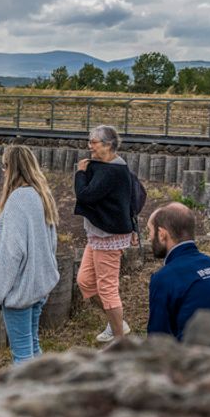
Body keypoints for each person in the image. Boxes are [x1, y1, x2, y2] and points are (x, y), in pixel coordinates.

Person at [0, 145, 60, 364]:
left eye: (4, 167)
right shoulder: (42, 196)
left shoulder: (17, 201)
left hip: (21, 291)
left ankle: (27, 397)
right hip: (38, 287)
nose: (3, 172)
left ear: (10, 168)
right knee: (33, 346)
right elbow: (52, 243)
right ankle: (44, 391)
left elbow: (11, 253)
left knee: (22, 355)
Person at [147, 203, 210, 339]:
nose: (149, 238)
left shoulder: (165, 278)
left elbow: (157, 339)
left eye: (150, 231)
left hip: (197, 355)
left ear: (162, 234)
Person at [74, 125, 134, 343]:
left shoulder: (113, 170)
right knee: (85, 282)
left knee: (107, 289)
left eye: (93, 142)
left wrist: (80, 173)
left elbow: (85, 195)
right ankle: (116, 322)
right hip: (98, 236)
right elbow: (130, 200)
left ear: (107, 145)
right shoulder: (106, 166)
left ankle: (120, 342)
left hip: (109, 237)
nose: (89, 146)